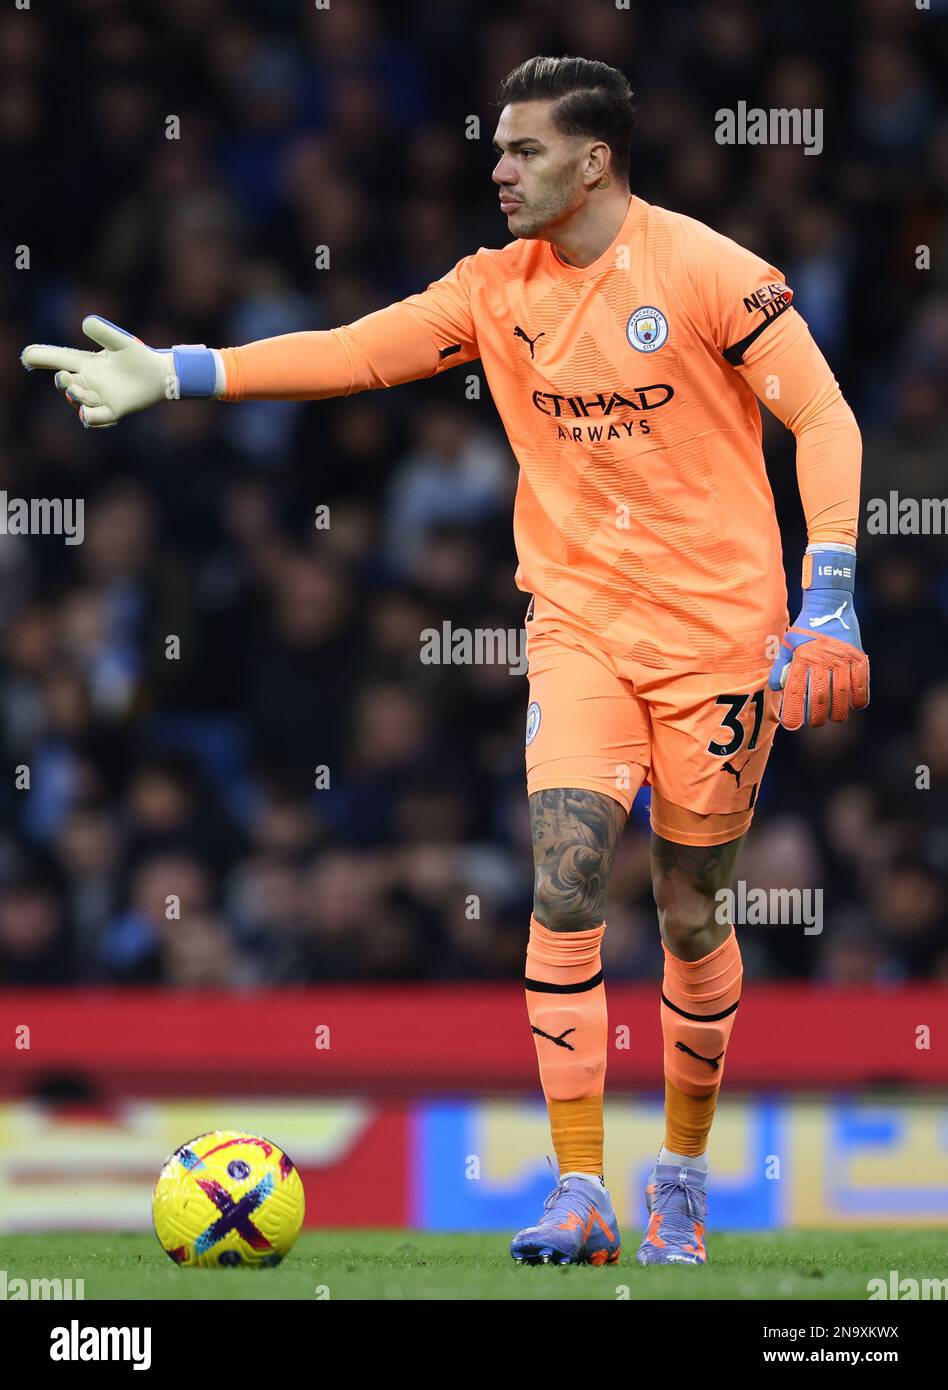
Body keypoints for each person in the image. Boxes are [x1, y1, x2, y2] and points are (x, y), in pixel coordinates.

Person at [21, 54, 869, 1267]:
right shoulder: (491, 287)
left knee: (690, 910)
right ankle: (581, 1187)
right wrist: (183, 371)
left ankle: (679, 1170)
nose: (499, 167)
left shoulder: (707, 271)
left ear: (595, 160)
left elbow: (825, 416)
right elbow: (360, 350)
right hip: (577, 627)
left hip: (722, 640)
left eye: (524, 150)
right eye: (498, 147)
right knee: (569, 882)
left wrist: (828, 595)